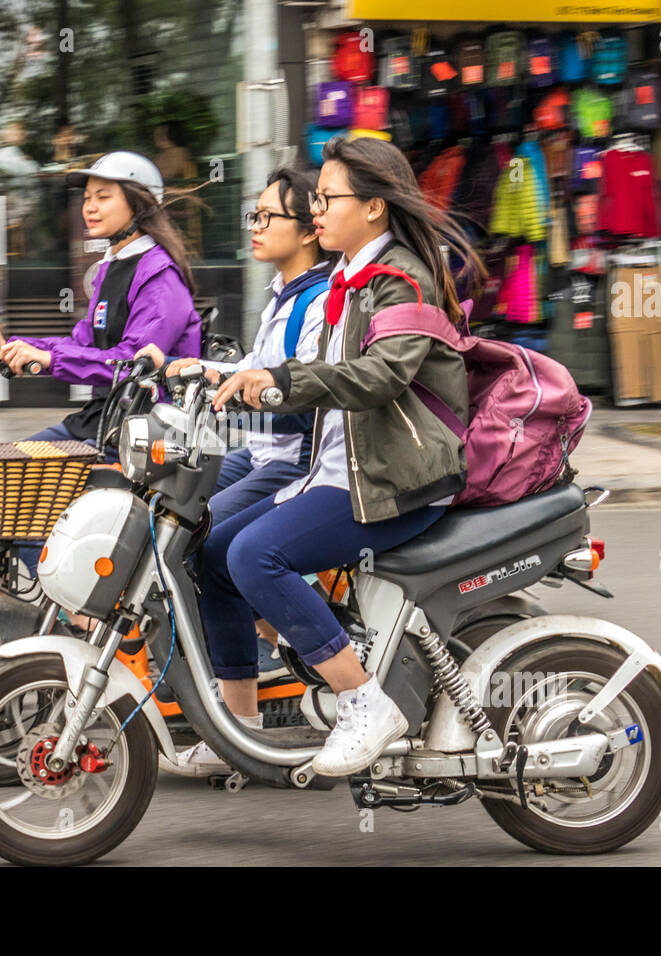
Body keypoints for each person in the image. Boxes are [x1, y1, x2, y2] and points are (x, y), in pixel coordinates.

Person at [189, 136, 485, 778]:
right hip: (344, 468)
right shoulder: (348, 280)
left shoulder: (400, 279)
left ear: (374, 208)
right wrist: (247, 376)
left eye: (327, 199)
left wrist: (279, 381)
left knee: (252, 554)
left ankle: (364, 702)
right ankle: (239, 735)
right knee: (214, 552)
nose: (315, 210)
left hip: (399, 479)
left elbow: (379, 377)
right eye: (316, 199)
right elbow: (327, 369)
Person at [0, 150, 201, 581]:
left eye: (103, 196)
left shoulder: (160, 277)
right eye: (87, 198)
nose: (89, 207)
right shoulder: (111, 268)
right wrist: (15, 347)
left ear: (139, 204)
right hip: (102, 421)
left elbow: (133, 364)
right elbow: (82, 342)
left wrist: (49, 358)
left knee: (22, 496)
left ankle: (85, 614)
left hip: (140, 433)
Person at [137, 165, 331, 528]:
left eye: (268, 216)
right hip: (260, 455)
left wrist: (234, 403)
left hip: (292, 462)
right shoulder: (282, 297)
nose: (255, 226)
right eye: (254, 216)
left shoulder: (318, 304)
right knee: (168, 503)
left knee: (201, 531)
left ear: (308, 232)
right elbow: (254, 365)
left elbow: (305, 406)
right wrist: (180, 363)